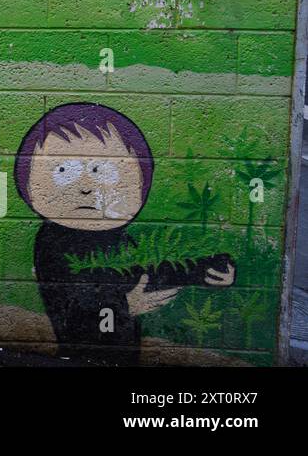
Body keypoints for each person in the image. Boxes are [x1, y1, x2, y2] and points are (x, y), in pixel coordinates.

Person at [14, 103, 235, 364]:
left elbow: (149, 273)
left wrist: (206, 271)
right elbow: (69, 301)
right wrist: (125, 305)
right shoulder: (53, 243)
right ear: (27, 179)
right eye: (64, 171)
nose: (85, 187)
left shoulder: (119, 238)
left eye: (102, 171)